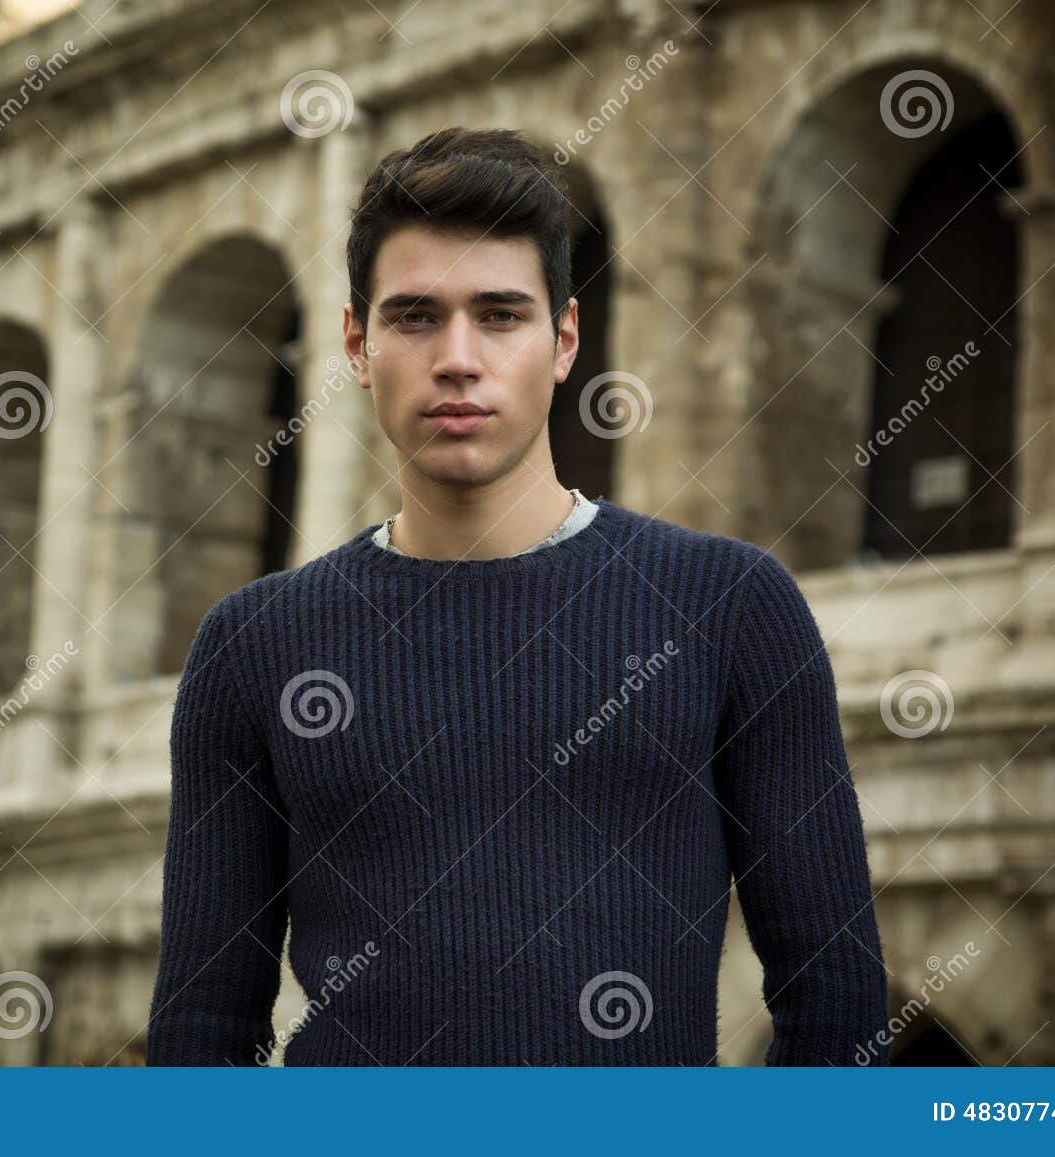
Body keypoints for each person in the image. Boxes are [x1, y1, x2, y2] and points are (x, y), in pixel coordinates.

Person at [146, 126, 889, 1066]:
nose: (458, 357)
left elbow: (838, 1002)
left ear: (566, 338)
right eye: (415, 316)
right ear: (355, 343)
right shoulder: (253, 644)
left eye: (500, 315)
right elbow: (201, 1031)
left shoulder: (729, 606)